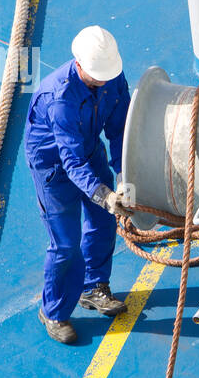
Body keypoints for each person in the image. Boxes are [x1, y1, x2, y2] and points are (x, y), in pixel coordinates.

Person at [24, 26, 131, 344]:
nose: (102, 80)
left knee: (102, 221)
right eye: (96, 75)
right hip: (54, 168)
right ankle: (53, 311)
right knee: (65, 243)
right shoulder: (60, 98)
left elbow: (120, 130)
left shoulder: (113, 77)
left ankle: (93, 287)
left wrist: (123, 177)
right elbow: (70, 163)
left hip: (87, 149)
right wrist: (105, 195)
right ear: (79, 64)